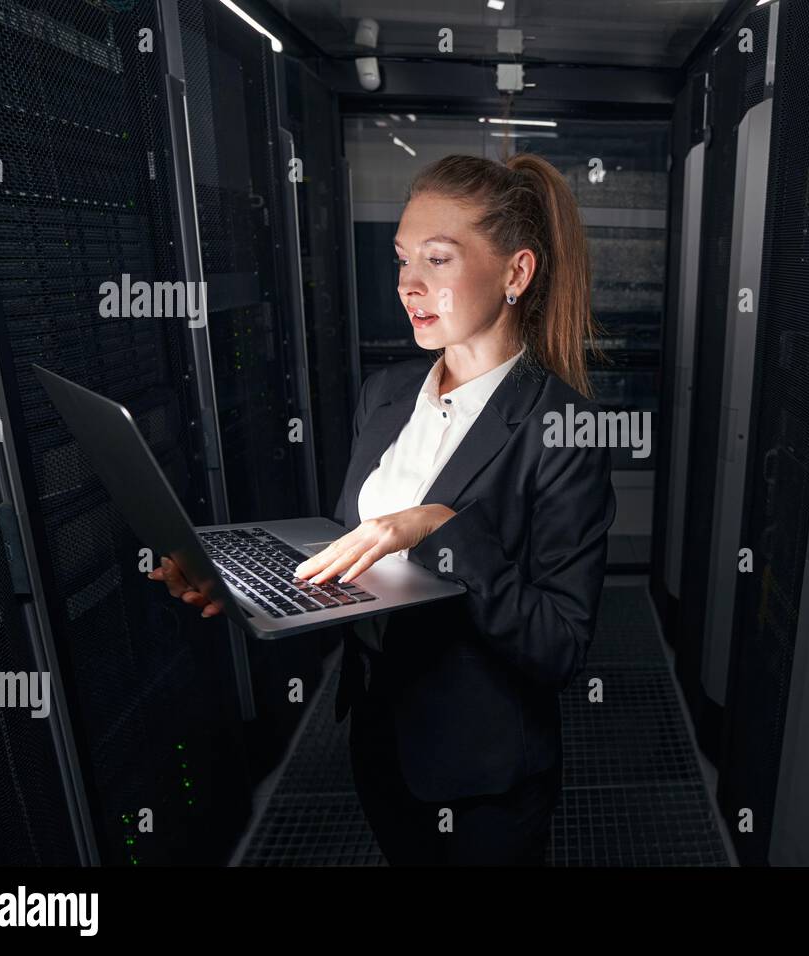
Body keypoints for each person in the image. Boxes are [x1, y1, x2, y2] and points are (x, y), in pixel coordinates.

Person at [150, 152, 617, 865]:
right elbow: (353, 556)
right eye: (403, 260)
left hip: (478, 776)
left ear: (516, 274)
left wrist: (442, 530)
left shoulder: (563, 431)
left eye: (437, 259)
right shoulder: (387, 393)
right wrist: (244, 584)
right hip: (378, 739)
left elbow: (558, 645)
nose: (409, 286)